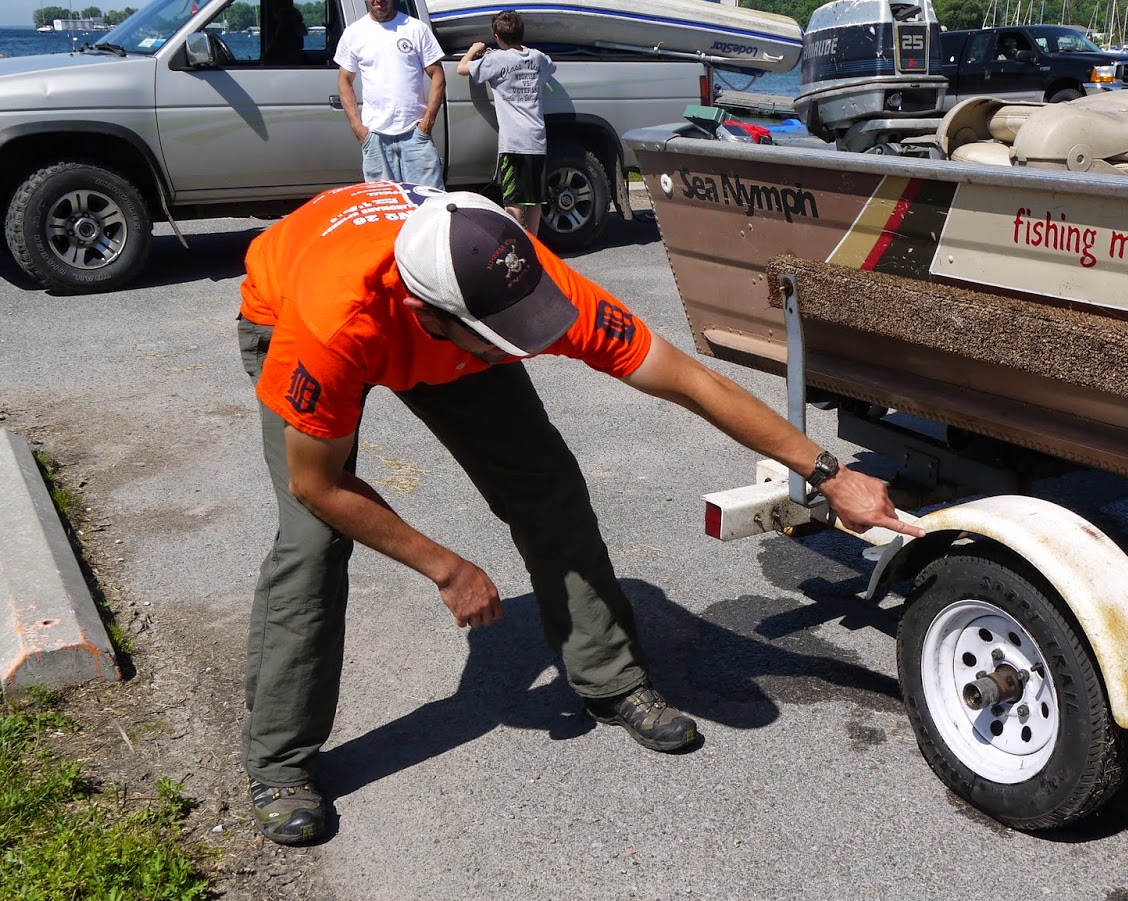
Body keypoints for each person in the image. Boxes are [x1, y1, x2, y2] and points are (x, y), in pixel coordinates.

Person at [237, 182, 923, 846]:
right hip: (290, 310)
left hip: (446, 326)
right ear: (431, 319)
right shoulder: (331, 323)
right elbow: (316, 483)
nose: (530, 342)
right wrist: (444, 567)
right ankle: (279, 761)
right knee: (315, 543)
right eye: (507, 334)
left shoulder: (514, 281)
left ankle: (611, 678)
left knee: (549, 490)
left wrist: (826, 472)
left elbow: (687, 379)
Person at [457, 11, 554, 234]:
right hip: (537, 139)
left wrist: (473, 50)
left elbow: (462, 69)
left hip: (513, 142)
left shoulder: (495, 60)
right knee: (534, 198)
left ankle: (516, 243)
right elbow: (551, 67)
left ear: (497, 36)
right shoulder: (537, 57)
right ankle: (534, 243)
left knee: (513, 199)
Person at [334, 0, 446, 186]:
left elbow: (438, 75)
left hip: (416, 134)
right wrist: (358, 127)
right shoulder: (353, 33)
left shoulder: (417, 28)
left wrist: (427, 122)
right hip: (375, 136)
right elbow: (344, 80)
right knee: (384, 204)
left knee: (429, 203)